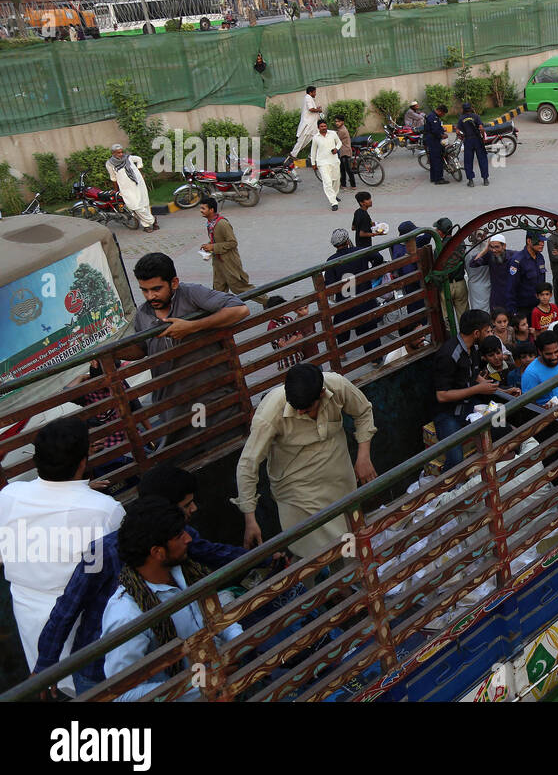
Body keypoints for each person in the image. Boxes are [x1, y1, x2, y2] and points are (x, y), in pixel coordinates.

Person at [33, 464, 245, 694]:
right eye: (186, 506)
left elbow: (213, 562)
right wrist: (46, 666)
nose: (193, 509)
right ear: (157, 550)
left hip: (172, 674)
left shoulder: (181, 562)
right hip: (99, 674)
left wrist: (237, 645)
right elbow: (68, 607)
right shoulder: (108, 568)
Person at [0, 419, 125, 696]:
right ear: (83, 462)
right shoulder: (104, 510)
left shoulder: (9, 496)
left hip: (30, 620)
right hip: (83, 629)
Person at [100, 497, 244, 701]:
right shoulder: (126, 615)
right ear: (157, 552)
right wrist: (204, 679)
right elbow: (124, 696)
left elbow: (217, 617)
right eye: (179, 535)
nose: (188, 539)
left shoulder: (187, 573)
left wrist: (237, 643)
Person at [236, 363, 377, 557]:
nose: (301, 413)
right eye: (297, 409)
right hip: (298, 493)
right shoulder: (270, 412)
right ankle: (331, 584)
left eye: (307, 408)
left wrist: (363, 456)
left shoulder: (337, 386)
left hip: (339, 482)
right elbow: (247, 464)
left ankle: (348, 581)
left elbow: (363, 412)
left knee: (348, 542)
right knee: (314, 554)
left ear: (322, 393)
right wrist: (250, 518)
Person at [118, 252, 250, 447]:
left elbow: (240, 310)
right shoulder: (143, 313)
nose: (150, 296)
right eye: (144, 290)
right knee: (184, 454)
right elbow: (142, 349)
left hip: (206, 397)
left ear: (174, 282)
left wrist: (192, 326)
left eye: (156, 289)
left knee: (214, 445)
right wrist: (110, 352)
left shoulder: (191, 294)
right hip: (171, 405)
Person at [431, 310, 497, 468]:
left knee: (501, 425)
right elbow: (442, 395)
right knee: (456, 460)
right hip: (447, 413)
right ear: (476, 333)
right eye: (487, 331)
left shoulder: (473, 349)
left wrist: (501, 390)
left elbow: (473, 376)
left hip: (468, 404)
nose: (490, 335)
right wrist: (478, 389)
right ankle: (448, 491)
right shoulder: (449, 355)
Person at [323, 229, 384, 361]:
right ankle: (375, 359)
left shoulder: (331, 261)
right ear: (347, 240)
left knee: (340, 322)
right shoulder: (360, 251)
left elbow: (330, 285)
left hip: (345, 303)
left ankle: (342, 352)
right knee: (369, 328)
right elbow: (379, 258)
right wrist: (371, 271)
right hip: (364, 299)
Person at [198, 197, 257, 298]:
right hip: (218, 262)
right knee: (218, 289)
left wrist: (213, 246)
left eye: (203, 208)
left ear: (211, 210)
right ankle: (220, 309)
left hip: (229, 262)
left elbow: (233, 243)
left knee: (239, 287)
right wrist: (208, 246)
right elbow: (217, 240)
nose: (201, 211)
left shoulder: (222, 224)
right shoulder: (210, 223)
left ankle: (267, 301)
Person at [105, 144, 157, 232]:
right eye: (118, 153)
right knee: (135, 206)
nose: (121, 154)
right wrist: (116, 190)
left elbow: (139, 159)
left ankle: (146, 226)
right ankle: (153, 220)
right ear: (113, 153)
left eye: (122, 152)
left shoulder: (128, 158)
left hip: (138, 183)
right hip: (126, 188)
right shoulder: (109, 164)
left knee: (144, 204)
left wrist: (140, 173)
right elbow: (113, 178)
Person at [520, 330, 558, 406]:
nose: (554, 357)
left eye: (556, 352)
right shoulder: (531, 374)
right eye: (549, 354)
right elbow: (528, 403)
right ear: (540, 351)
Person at [505, 230, 547, 317]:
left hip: (539, 307)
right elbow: (511, 289)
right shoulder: (517, 261)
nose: (542, 244)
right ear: (529, 241)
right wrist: (513, 314)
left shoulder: (540, 257)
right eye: (539, 241)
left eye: (543, 241)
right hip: (523, 309)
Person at [310, 118, 343, 211]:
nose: (324, 128)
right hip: (322, 163)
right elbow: (313, 151)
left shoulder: (332, 133)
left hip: (334, 161)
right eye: (321, 126)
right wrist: (313, 163)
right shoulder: (316, 138)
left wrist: (336, 148)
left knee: (336, 180)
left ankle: (334, 195)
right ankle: (333, 202)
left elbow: (339, 142)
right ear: (318, 128)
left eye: (325, 126)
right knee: (327, 182)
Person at [456, 102, 489, 186]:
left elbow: (457, 131)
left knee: (468, 161)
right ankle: (485, 180)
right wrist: (484, 137)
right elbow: (481, 128)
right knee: (482, 159)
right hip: (478, 140)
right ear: (470, 108)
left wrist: (461, 135)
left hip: (468, 141)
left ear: (463, 110)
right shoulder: (476, 116)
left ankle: (471, 181)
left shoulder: (461, 118)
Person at [291, 85, 323, 159]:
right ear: (310, 92)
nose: (315, 94)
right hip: (308, 124)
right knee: (302, 140)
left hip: (312, 124)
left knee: (317, 138)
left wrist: (317, 109)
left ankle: (312, 155)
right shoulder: (308, 98)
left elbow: (312, 109)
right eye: (314, 92)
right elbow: (311, 109)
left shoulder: (309, 98)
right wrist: (318, 110)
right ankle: (293, 154)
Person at [422, 104, 450, 184]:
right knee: (438, 160)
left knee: (433, 160)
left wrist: (442, 130)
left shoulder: (433, 116)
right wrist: (442, 135)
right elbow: (435, 130)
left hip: (431, 140)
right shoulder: (433, 117)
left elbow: (437, 127)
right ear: (440, 111)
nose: (443, 115)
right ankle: (439, 179)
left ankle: (433, 177)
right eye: (443, 113)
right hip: (433, 141)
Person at [332, 114, 357, 189]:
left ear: (342, 122)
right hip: (343, 151)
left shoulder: (342, 131)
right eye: (336, 121)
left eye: (338, 121)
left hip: (345, 151)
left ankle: (353, 185)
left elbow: (335, 139)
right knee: (342, 169)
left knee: (348, 170)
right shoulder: (341, 129)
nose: (337, 123)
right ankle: (343, 184)